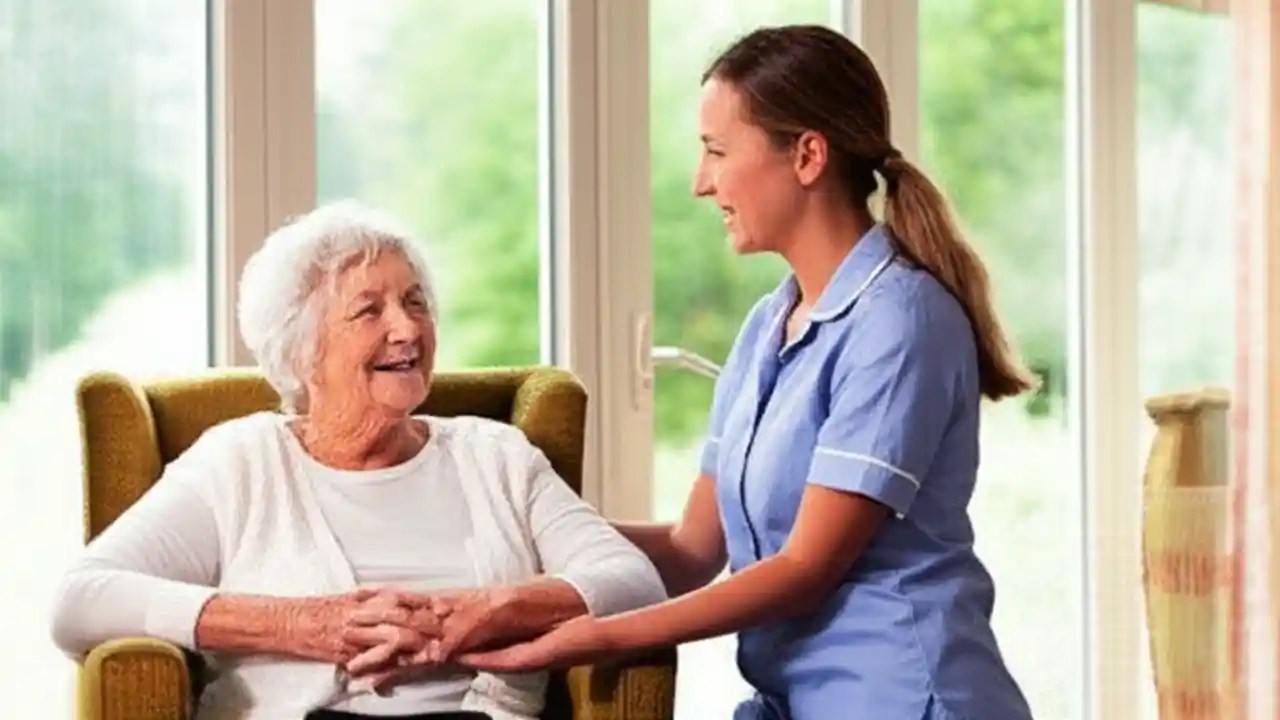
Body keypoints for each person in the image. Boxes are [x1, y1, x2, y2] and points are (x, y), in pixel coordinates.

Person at [457, 25, 1037, 720]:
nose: (702, 182)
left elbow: (804, 569)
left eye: (716, 151)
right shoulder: (769, 325)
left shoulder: (901, 320)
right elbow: (691, 549)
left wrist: (598, 635)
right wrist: (511, 548)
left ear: (807, 155)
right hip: (791, 701)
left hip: (903, 697)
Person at [49, 201, 667, 720]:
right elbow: (81, 599)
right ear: (302, 352)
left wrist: (478, 613)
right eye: (370, 310)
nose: (406, 329)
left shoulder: (495, 454)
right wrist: (301, 624)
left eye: (416, 302)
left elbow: (631, 581)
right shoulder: (242, 462)